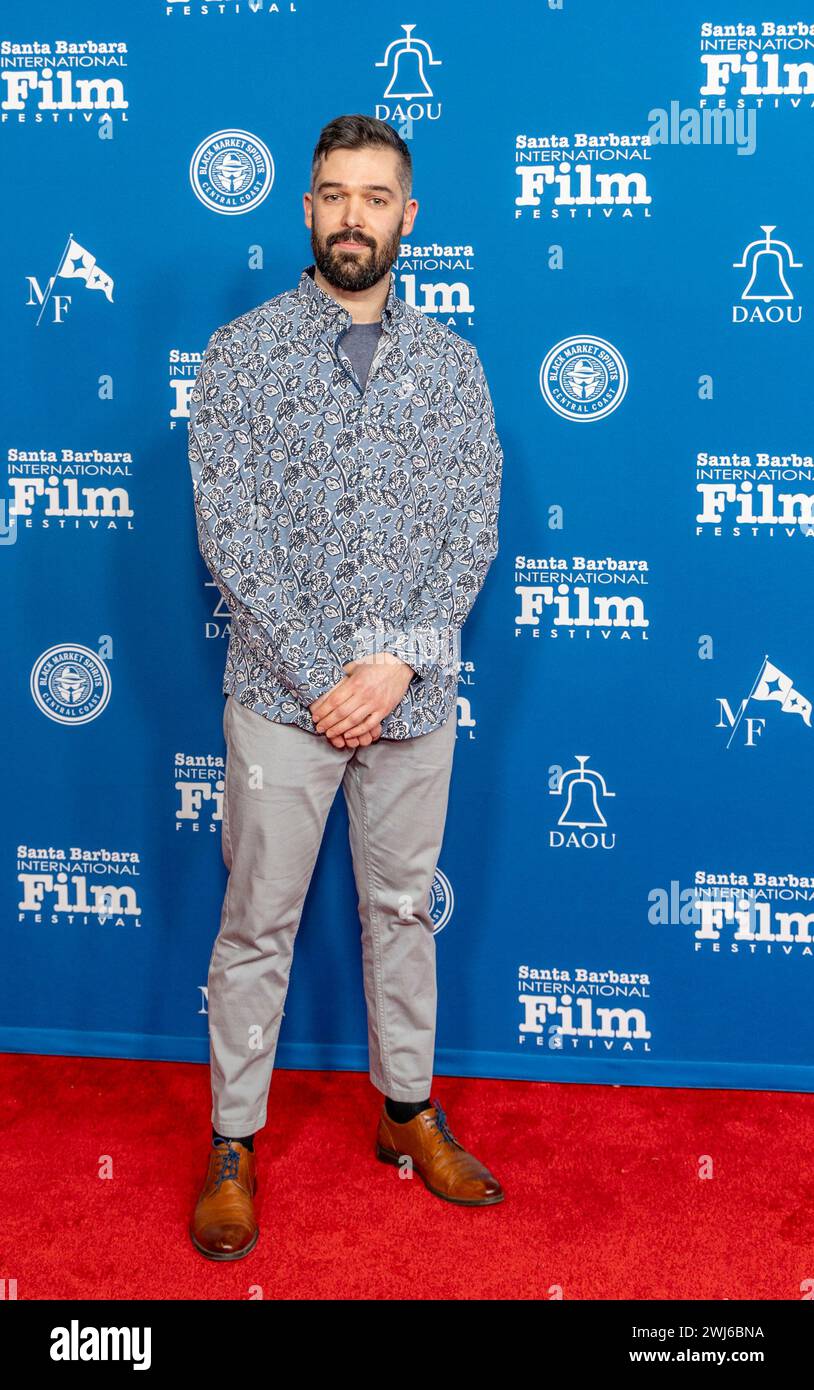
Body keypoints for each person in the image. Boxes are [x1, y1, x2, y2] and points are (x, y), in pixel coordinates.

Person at [186, 114, 505, 1260]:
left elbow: (471, 525)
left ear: (407, 217)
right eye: (334, 194)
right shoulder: (240, 353)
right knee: (256, 923)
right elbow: (231, 533)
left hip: (413, 697)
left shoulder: (455, 365)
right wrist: (331, 678)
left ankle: (406, 1112)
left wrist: (397, 660)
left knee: (401, 912)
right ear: (306, 210)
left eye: (376, 197)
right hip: (283, 701)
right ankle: (233, 1140)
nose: (353, 216)